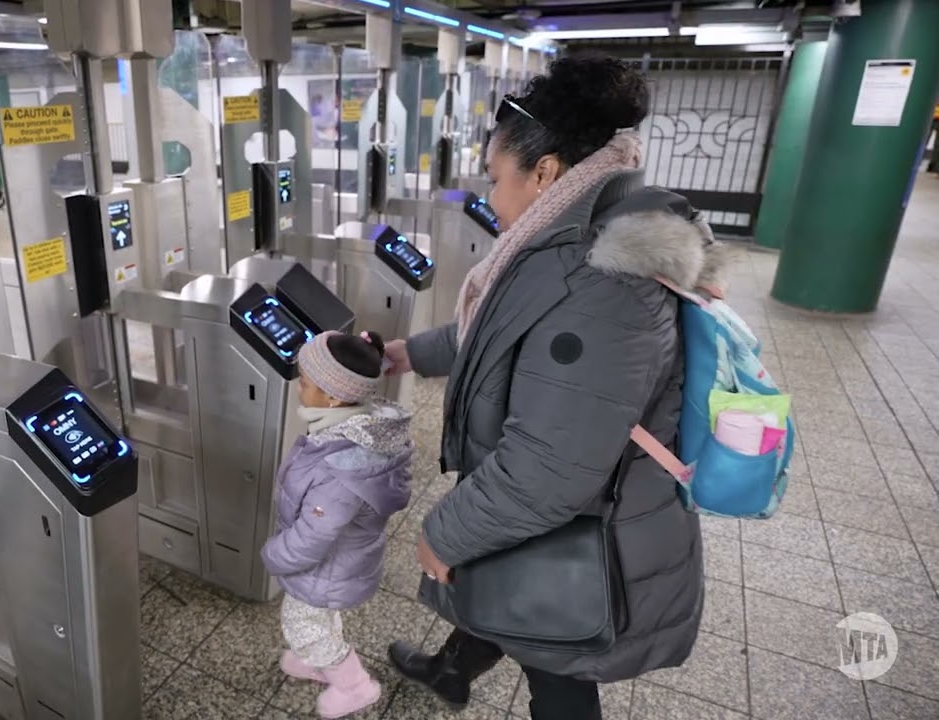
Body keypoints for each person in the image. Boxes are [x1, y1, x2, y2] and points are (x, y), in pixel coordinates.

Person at [381, 56, 721, 718]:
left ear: (544, 172)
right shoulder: (576, 236)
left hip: (587, 521)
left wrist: (445, 531)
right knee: (507, 575)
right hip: (574, 504)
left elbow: (549, 470)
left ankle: (465, 666)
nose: (490, 198)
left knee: (556, 666)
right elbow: (507, 332)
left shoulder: (602, 280)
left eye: (495, 179)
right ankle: (453, 667)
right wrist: (410, 354)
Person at [260, 330, 413, 719]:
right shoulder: (352, 428)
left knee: (302, 623)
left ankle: (354, 685)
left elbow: (316, 533)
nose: (300, 388)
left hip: (325, 567)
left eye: (306, 383)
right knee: (319, 616)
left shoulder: (341, 466)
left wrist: (275, 554)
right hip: (340, 565)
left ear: (331, 396)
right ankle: (317, 658)